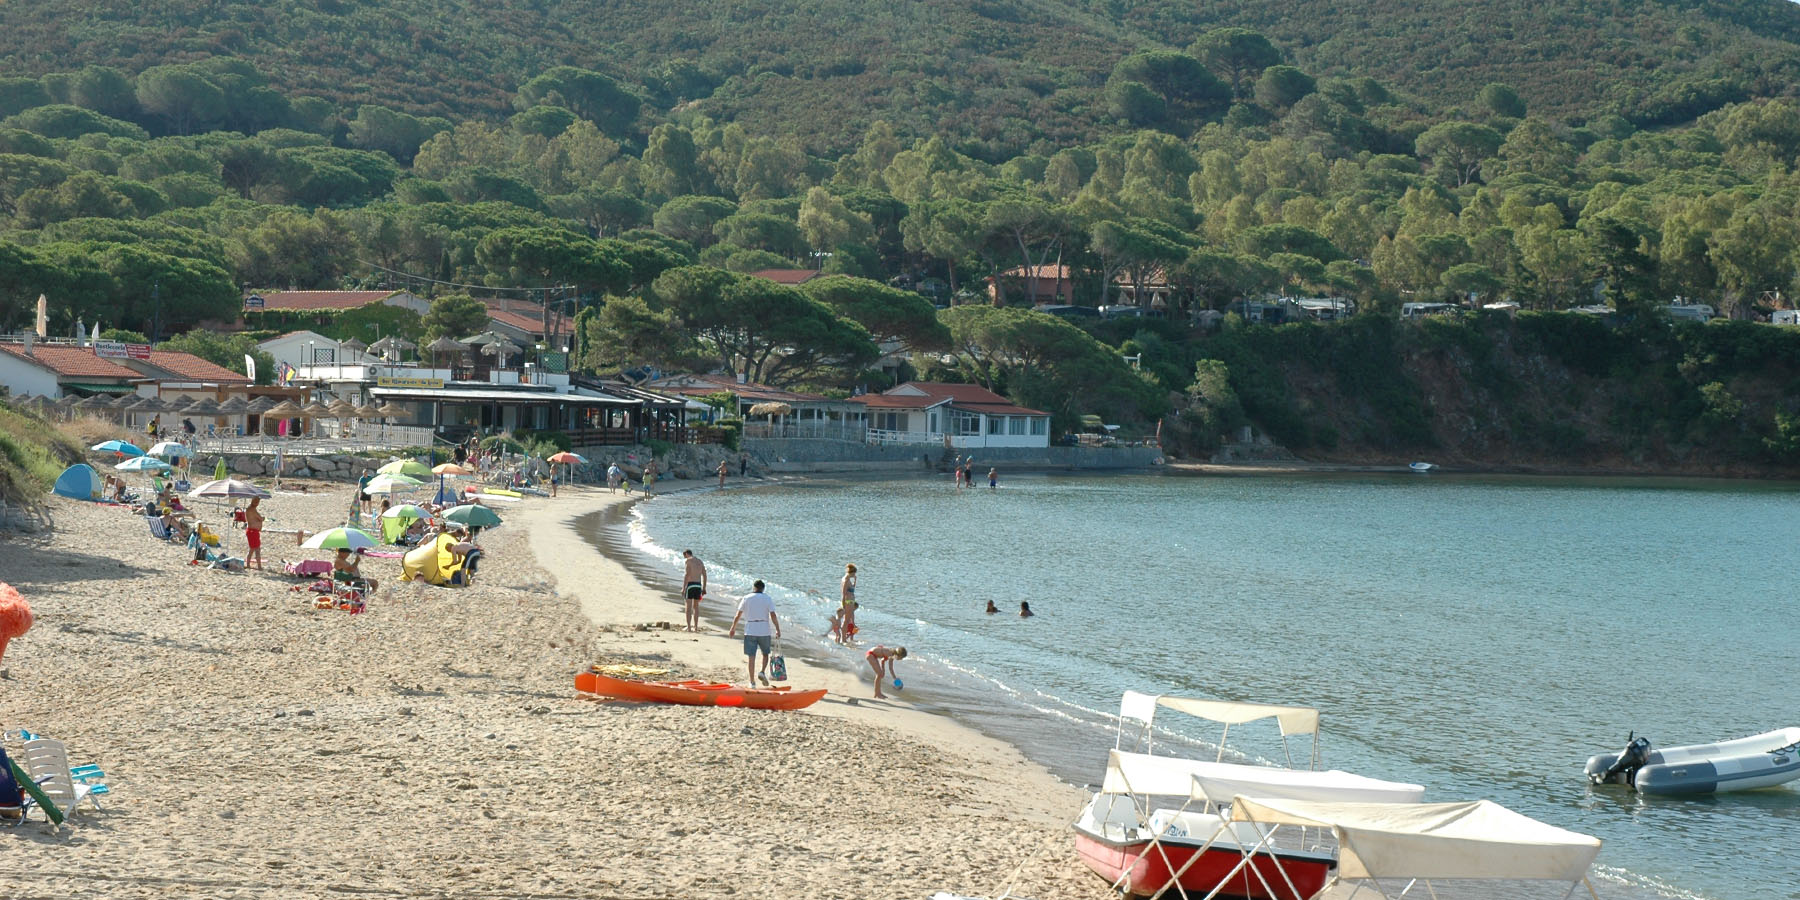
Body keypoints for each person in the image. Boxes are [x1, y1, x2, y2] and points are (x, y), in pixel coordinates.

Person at [727, 580, 780, 686]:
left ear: (754, 587)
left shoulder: (746, 598)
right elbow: (773, 615)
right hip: (764, 630)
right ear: (763, 588)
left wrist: (733, 628)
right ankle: (762, 672)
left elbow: (738, 615)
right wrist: (778, 629)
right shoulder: (767, 598)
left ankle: (752, 682)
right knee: (765, 654)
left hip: (750, 629)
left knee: (751, 657)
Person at [680, 550, 707, 632]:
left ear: (686, 554)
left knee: (688, 607)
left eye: (684, 556)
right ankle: (696, 627)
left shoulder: (688, 561)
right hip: (698, 585)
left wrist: (683, 587)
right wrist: (704, 588)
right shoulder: (700, 561)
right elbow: (705, 575)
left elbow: (687, 574)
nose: (685, 558)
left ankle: (688, 628)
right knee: (696, 607)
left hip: (690, 585)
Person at [243, 496, 264, 571]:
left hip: (252, 531)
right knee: (257, 549)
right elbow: (260, 518)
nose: (257, 503)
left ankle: (248, 564)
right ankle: (259, 566)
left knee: (252, 549)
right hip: (253, 531)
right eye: (256, 501)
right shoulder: (252, 509)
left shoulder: (250, 509)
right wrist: (262, 519)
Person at [839, 563, 859, 645]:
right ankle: (843, 639)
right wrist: (843, 605)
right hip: (848, 602)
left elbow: (852, 589)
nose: (854, 575)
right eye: (854, 573)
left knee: (848, 620)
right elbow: (843, 594)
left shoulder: (848, 579)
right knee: (846, 620)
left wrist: (855, 580)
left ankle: (845, 637)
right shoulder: (846, 580)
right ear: (852, 572)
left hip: (850, 601)